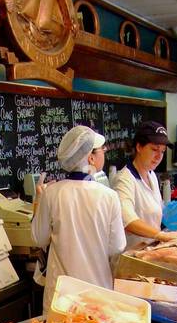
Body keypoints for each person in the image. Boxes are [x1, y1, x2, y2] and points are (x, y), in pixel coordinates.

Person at [30, 125, 126, 312]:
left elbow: (38, 238)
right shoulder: (108, 196)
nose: (104, 153)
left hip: (61, 298)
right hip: (97, 295)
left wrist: (38, 201)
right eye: (101, 150)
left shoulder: (52, 193)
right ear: (90, 157)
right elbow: (117, 247)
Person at [111, 121, 177, 247]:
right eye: (154, 149)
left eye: (162, 151)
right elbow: (127, 220)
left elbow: (156, 211)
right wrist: (160, 235)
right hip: (132, 257)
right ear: (139, 147)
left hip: (150, 250)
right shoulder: (124, 179)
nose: (159, 156)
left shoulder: (151, 175)